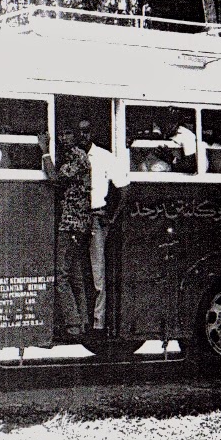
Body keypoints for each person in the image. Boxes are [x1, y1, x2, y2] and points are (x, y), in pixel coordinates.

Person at [78, 118, 129, 332]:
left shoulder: (105, 157)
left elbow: (124, 189)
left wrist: (112, 217)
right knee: (77, 270)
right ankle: (81, 321)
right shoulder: (71, 158)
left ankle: (98, 323)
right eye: (79, 132)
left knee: (97, 273)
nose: (83, 136)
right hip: (75, 219)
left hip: (97, 218)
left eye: (87, 131)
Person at [40, 127, 91, 338]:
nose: (63, 137)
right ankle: (83, 322)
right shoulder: (76, 156)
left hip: (71, 224)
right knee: (76, 275)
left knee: (61, 276)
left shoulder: (78, 158)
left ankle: (73, 323)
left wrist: (44, 150)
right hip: (77, 225)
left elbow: (54, 178)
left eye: (66, 133)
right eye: (61, 134)